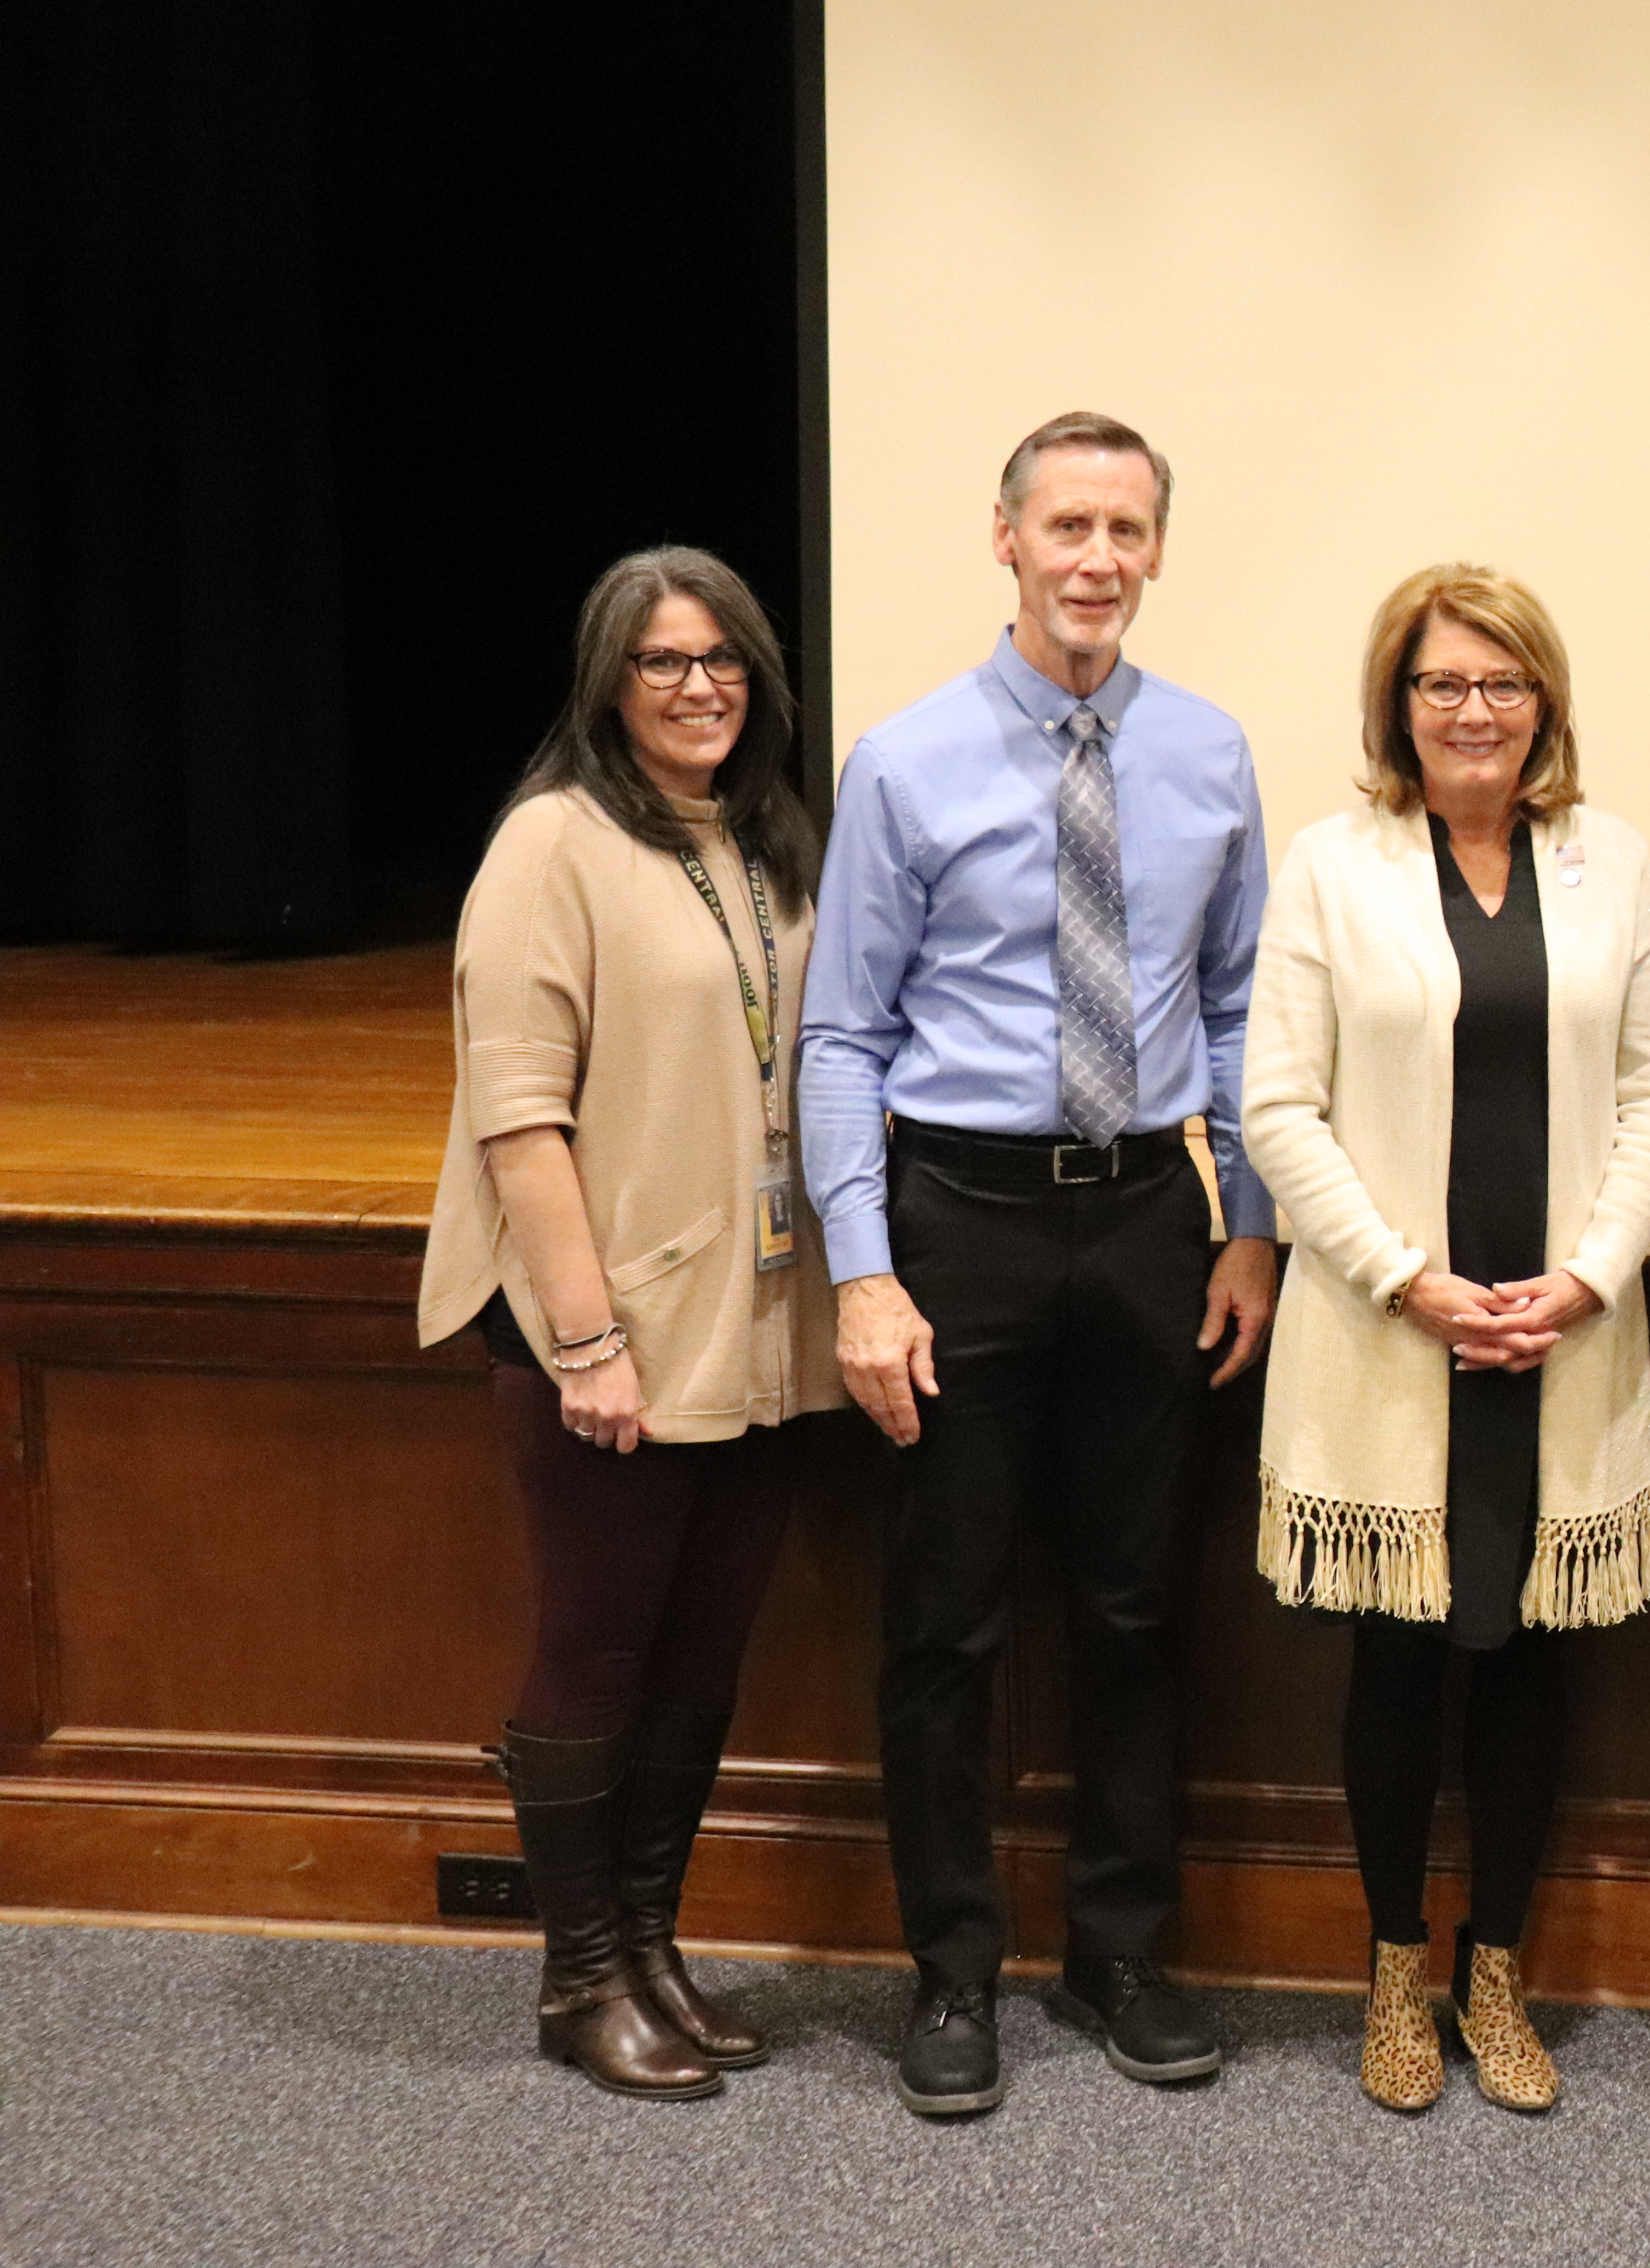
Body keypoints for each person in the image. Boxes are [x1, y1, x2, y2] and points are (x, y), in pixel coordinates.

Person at [798, 411, 1281, 2118]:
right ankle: (950, 1970)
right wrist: (865, 1271)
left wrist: (1250, 1229)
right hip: (963, 1225)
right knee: (948, 1619)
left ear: (1156, 552)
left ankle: (1122, 1952)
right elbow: (844, 1036)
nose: (1097, 559)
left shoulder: (1212, 756)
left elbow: (1237, 1016)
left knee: (1142, 1605)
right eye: (1066, 525)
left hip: (1151, 1222)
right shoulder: (906, 762)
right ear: (1003, 538)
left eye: (1126, 531)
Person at [1241, 563, 1650, 2115]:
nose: (1475, 711)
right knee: (1399, 1657)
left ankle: (1496, 1970)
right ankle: (1389, 1967)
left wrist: (1584, 1277)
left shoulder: (1612, 860)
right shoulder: (1330, 863)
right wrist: (1404, 1278)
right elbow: (1278, 1107)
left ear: (1545, 701)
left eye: (1503, 683)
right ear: (1399, 704)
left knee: (1525, 1664)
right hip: (1394, 1329)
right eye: (1444, 684)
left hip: (1557, 1329)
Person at [416, 545, 843, 2099]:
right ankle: (579, 1974)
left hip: (754, 1317)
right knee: (596, 1651)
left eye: (723, 658)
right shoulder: (553, 842)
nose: (698, 686)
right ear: (610, 681)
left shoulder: (766, 838)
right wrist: (587, 1337)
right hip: (609, 1325)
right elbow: (517, 1116)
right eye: (662, 661)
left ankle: (651, 1943)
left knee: (698, 1656)